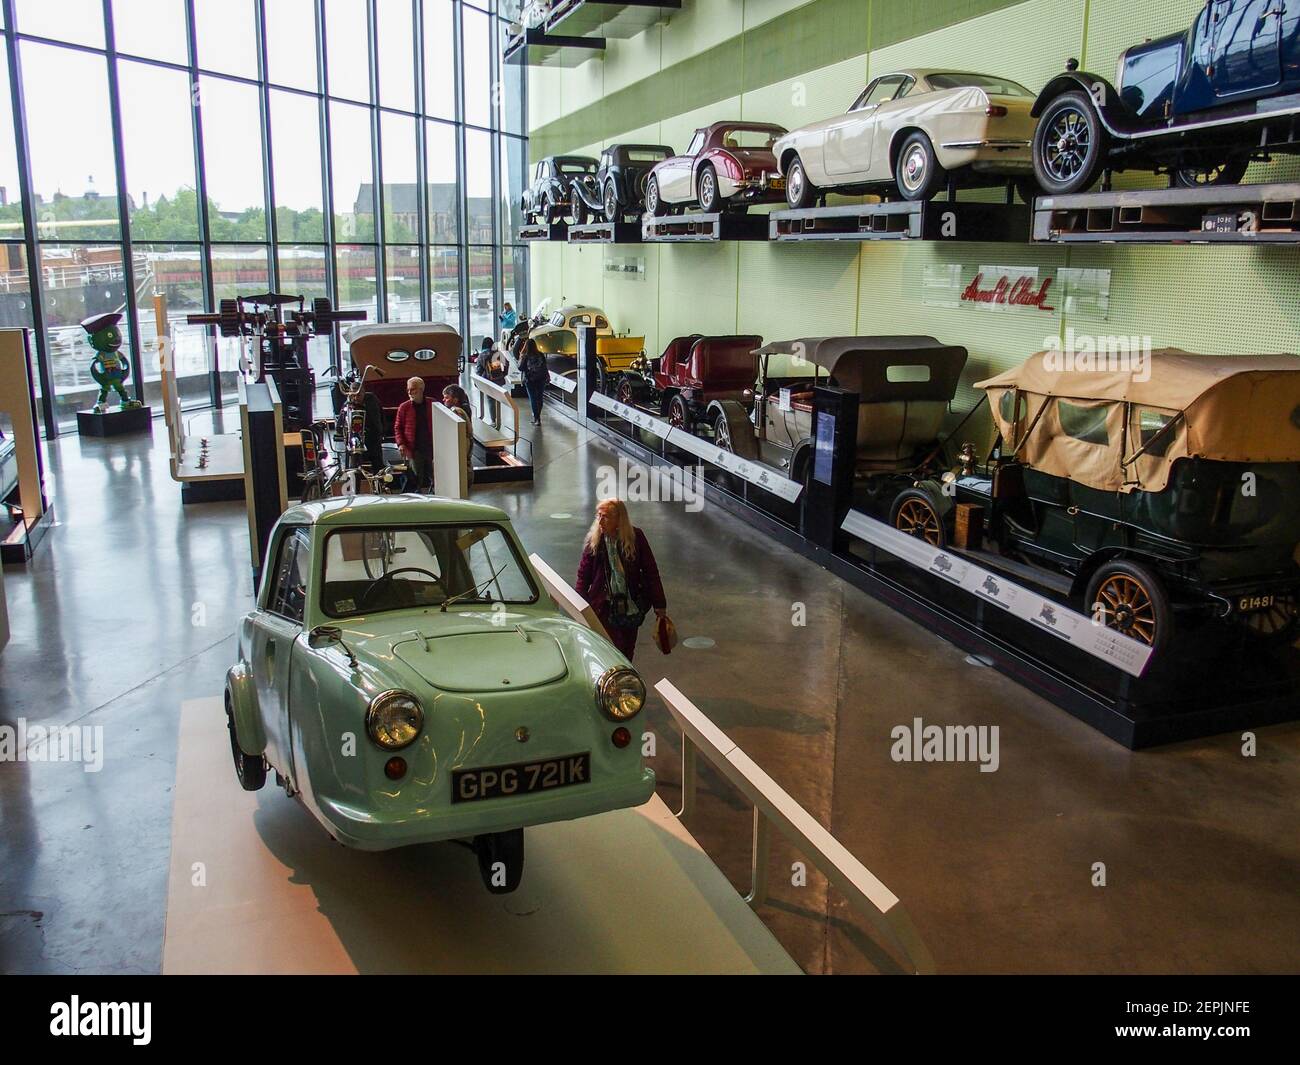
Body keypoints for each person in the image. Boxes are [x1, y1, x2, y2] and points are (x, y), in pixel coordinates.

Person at [576, 499, 667, 662]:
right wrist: (580, 606)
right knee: (609, 650)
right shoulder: (595, 541)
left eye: (606, 517)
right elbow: (584, 575)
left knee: (626, 650)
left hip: (630, 606)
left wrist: (659, 605)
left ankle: (624, 682)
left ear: (619, 519)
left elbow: (650, 572)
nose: (601, 521)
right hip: (603, 607)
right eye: (599, 516)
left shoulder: (636, 537)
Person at [394, 376, 434, 492]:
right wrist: (401, 444)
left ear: (421, 389)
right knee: (416, 479)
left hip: (432, 448)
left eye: (413, 389)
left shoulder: (433, 403)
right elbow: (398, 428)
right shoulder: (404, 407)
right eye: (408, 389)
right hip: (414, 450)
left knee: (436, 476)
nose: (409, 392)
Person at [442, 384, 475, 488]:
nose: (443, 400)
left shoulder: (456, 412)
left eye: (447, 397)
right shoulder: (464, 408)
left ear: (455, 400)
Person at [519, 337, 549, 427]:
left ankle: (537, 419)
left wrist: (521, 356)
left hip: (530, 379)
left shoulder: (525, 356)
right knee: (539, 398)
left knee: (533, 398)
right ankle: (538, 416)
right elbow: (545, 366)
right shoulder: (540, 354)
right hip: (541, 379)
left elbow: (520, 367)